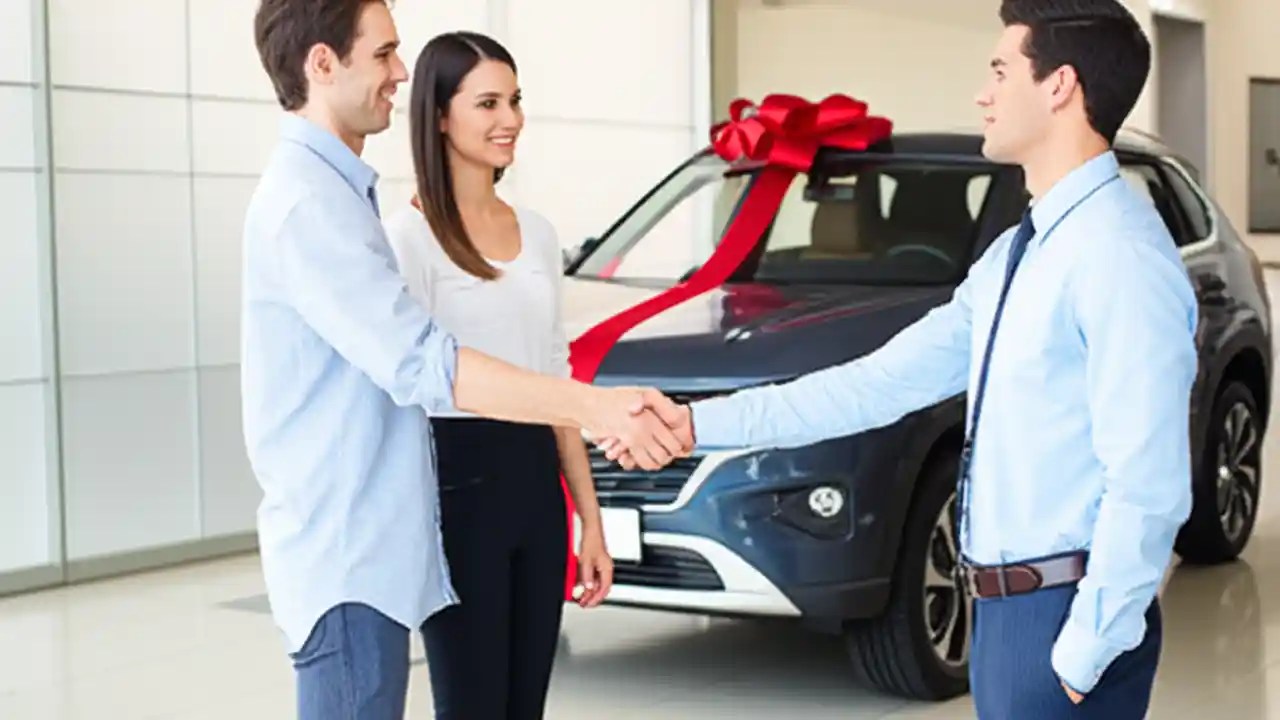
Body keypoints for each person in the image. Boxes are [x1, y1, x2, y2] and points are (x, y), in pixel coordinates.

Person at [604, 1, 1196, 716]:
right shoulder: (1022, 253)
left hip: (1062, 619)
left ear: (1060, 86)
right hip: (1008, 613)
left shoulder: (1120, 256)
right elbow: (877, 384)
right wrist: (692, 426)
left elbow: (1149, 481)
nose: (984, 93)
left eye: (1001, 70)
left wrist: (1083, 652)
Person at [244, 2, 685, 718]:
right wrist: (601, 407)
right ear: (323, 64)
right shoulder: (328, 213)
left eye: (515, 100)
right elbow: (425, 366)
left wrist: (587, 508)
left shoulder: (340, 197)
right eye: (384, 53)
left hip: (415, 527)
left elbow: (543, 361)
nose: (400, 71)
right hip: (372, 537)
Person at [379, 31, 610, 719]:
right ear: (440, 115)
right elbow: (405, 390)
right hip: (455, 490)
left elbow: (555, 375)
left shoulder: (537, 232)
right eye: (487, 102)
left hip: (536, 482)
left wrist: (588, 518)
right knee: (472, 706)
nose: (509, 118)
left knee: (525, 705)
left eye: (514, 100)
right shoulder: (409, 237)